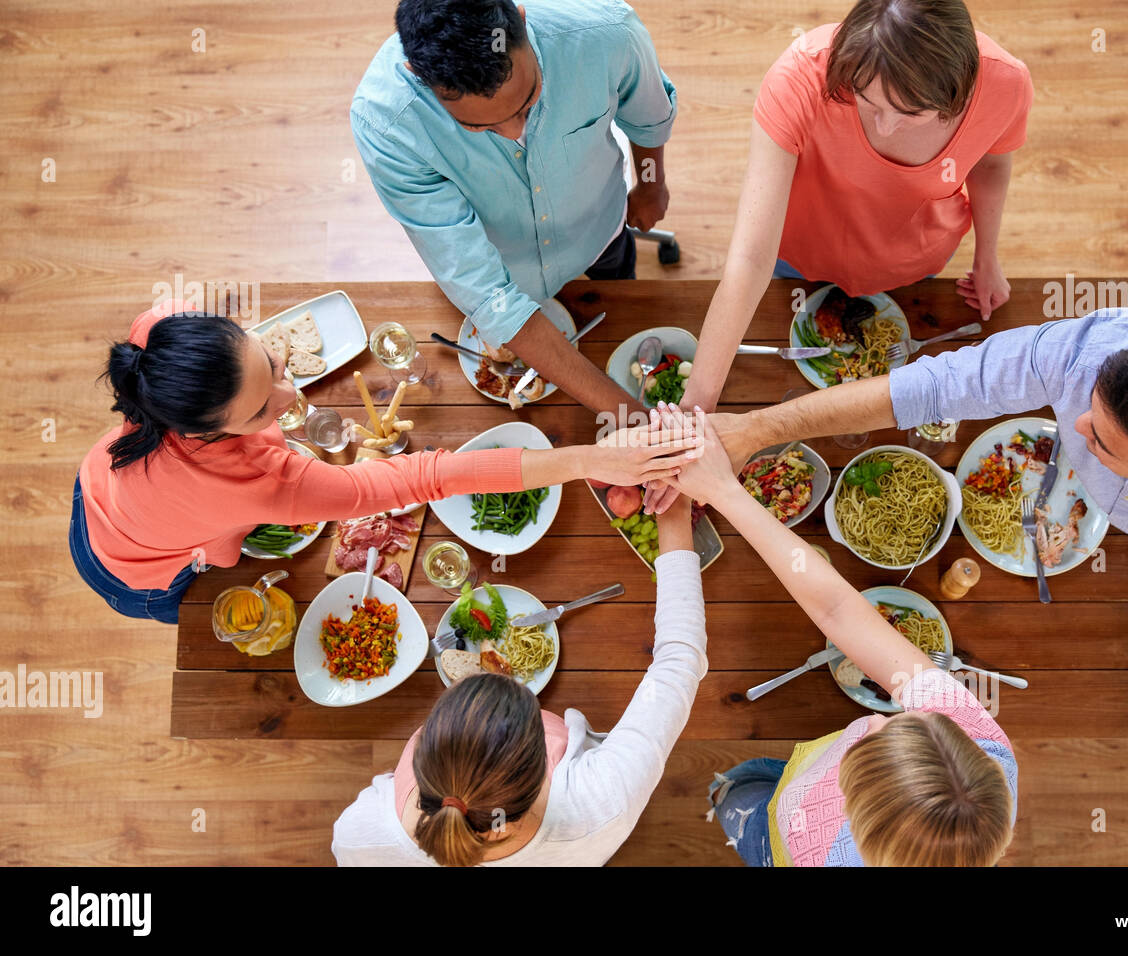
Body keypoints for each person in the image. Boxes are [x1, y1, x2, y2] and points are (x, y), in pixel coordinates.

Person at [673, 309, 1128, 672]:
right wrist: (758, 427)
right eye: (1086, 408)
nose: (1073, 430)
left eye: (1100, 441)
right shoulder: (1093, 351)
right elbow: (934, 384)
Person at [71, 301, 697, 624]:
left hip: (97, 485)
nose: (294, 399)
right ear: (203, 429)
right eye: (265, 410)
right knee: (214, 581)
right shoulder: (263, 483)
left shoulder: (153, 345)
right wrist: (588, 458)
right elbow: (430, 476)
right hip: (134, 572)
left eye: (276, 365)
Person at [654, 404, 1015, 866]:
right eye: (908, 721)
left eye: (877, 737)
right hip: (808, 776)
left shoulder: (818, 855)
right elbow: (839, 608)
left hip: (779, 839)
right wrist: (724, 490)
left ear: (854, 813)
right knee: (757, 776)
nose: (877, 718)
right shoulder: (981, 752)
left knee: (735, 800)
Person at [678, 0, 1033, 423]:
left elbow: (991, 163)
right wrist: (697, 403)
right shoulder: (798, 79)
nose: (883, 128)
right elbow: (751, 258)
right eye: (866, 99)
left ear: (956, 93)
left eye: (910, 113)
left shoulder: (1005, 83)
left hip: (916, 256)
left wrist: (987, 257)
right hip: (803, 250)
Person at [331, 497, 705, 866]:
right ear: (540, 763)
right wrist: (673, 513)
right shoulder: (602, 800)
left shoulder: (359, 838)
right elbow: (679, 661)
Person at [352, 0, 677, 413]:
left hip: (600, 228)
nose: (515, 131)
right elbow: (486, 292)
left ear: (520, 21)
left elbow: (648, 117)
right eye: (479, 126)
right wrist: (627, 416)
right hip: (506, 268)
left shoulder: (606, 33)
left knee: (622, 298)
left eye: (528, 102)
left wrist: (650, 185)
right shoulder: (385, 123)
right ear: (420, 76)